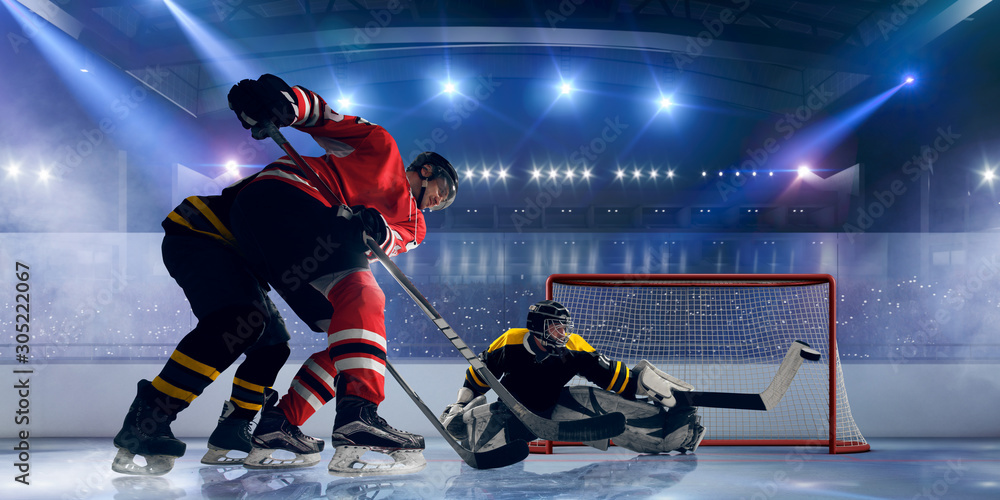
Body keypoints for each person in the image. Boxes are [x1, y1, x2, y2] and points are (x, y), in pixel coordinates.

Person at [112, 73, 458, 475]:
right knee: (325, 304)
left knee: (284, 335)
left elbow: (391, 241)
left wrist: (377, 228)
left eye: (445, 202)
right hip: (219, 228)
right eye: (444, 190)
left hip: (268, 252)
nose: (440, 201)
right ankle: (357, 415)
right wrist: (285, 104)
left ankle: (257, 425)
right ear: (429, 170)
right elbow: (321, 117)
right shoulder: (382, 147)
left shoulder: (416, 224)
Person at [439, 300, 705, 458]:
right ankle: (466, 418)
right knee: (479, 445)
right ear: (538, 326)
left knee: (604, 407)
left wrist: (651, 386)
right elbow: (477, 379)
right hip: (511, 413)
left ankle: (675, 434)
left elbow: (615, 379)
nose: (563, 332)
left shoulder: (574, 348)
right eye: (556, 326)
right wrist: (460, 404)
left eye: (565, 327)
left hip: (553, 408)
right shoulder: (511, 341)